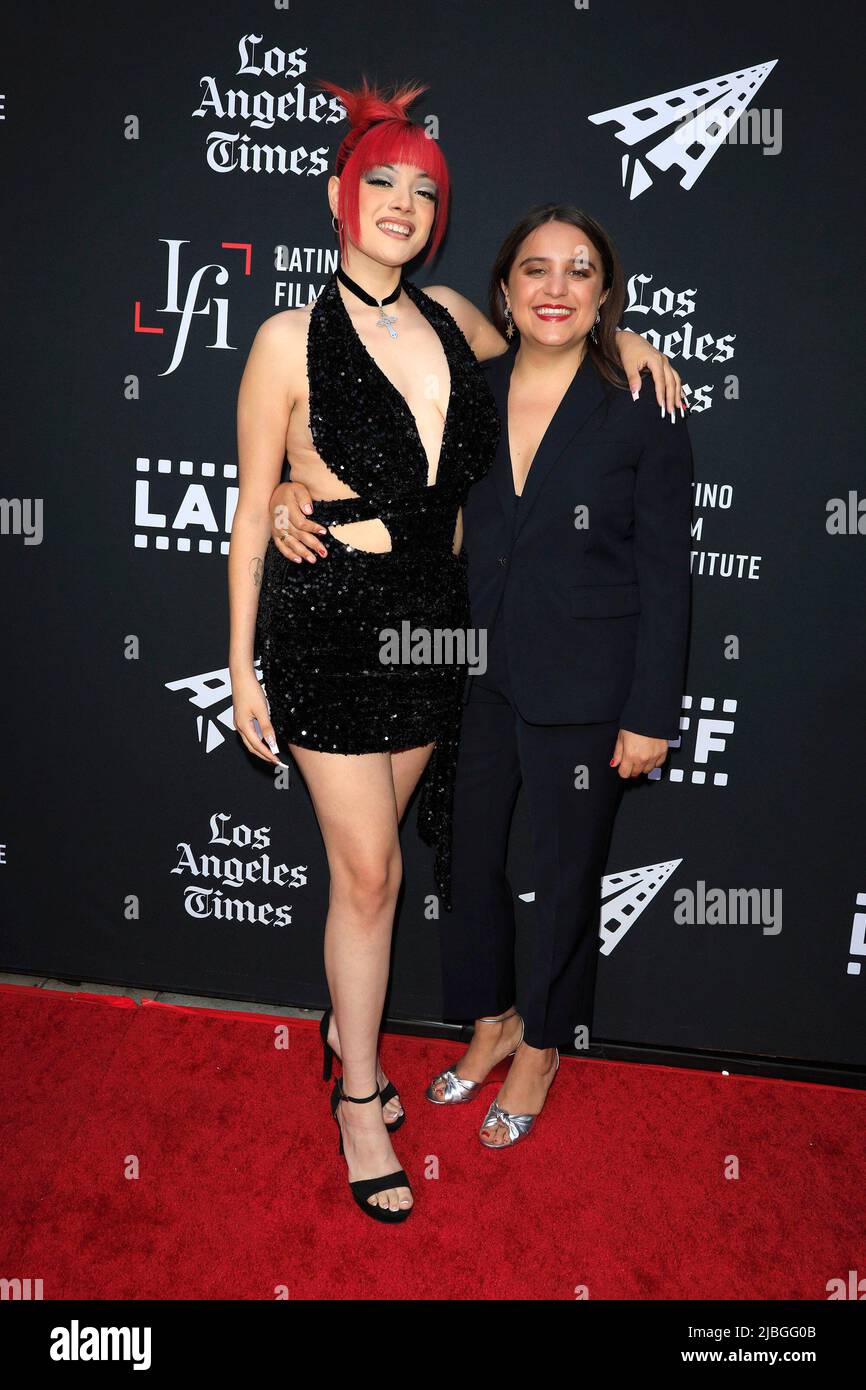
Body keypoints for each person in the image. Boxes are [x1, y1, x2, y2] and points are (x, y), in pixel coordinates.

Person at [252, 89, 684, 1218]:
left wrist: (623, 335)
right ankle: (418, 1057)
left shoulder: (558, 371)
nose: (554, 288)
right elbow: (292, 483)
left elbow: (658, 564)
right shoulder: (376, 349)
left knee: (502, 869)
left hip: (509, 659)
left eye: (577, 273)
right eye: (534, 270)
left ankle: (527, 1041)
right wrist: (296, 494)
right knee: (413, 868)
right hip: (397, 642)